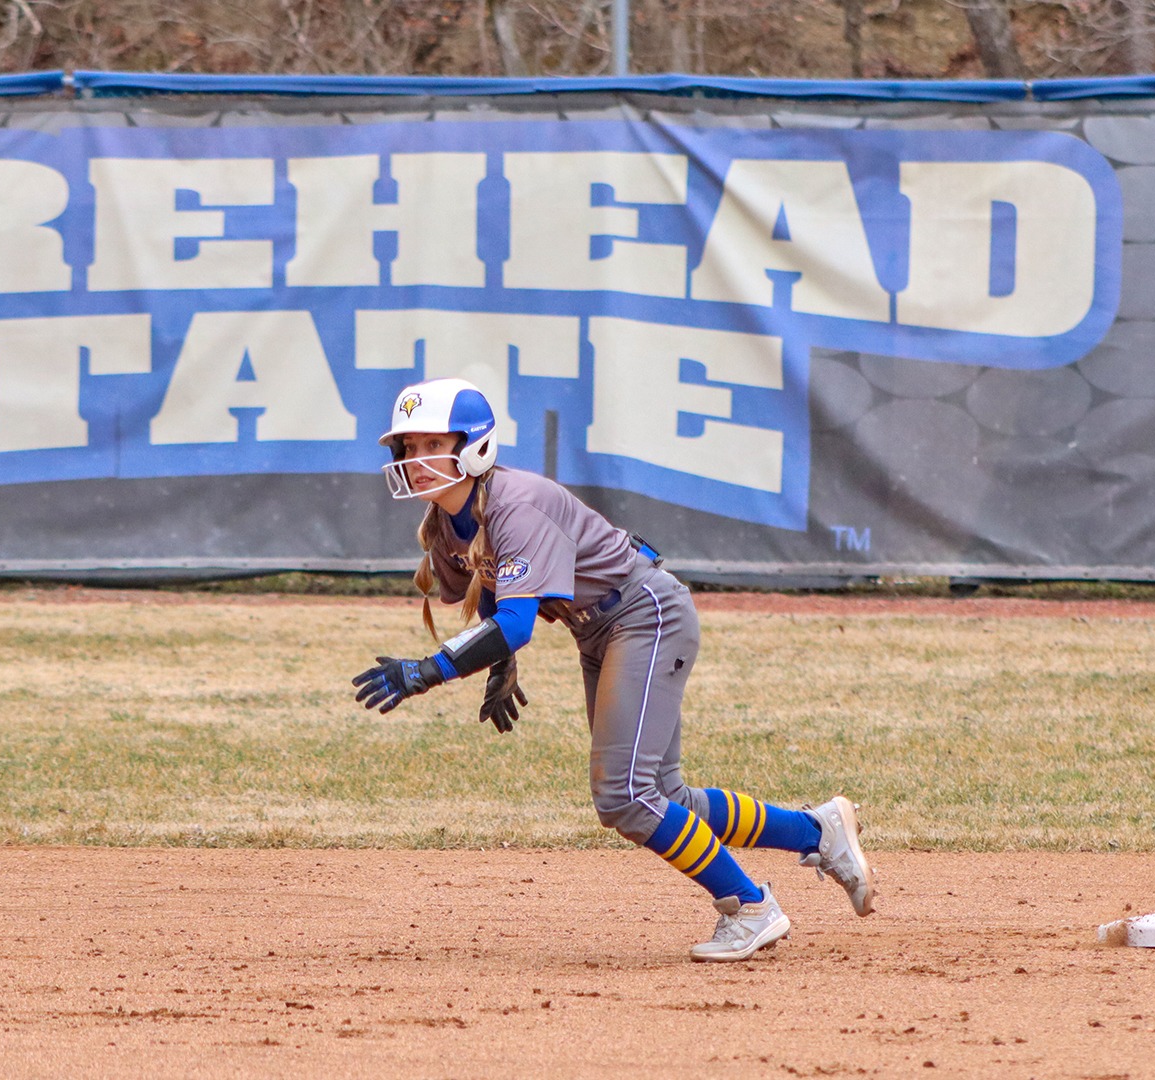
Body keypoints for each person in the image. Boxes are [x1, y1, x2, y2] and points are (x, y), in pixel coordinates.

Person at [351, 377, 878, 962]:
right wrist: (501, 665)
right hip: (601, 628)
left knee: (625, 796)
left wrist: (425, 672)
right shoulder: (448, 525)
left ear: (475, 444)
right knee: (665, 794)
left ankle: (749, 905)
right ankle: (817, 831)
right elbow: (501, 603)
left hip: (644, 614)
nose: (417, 461)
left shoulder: (515, 502)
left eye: (432, 444)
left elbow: (519, 622)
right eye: (408, 448)